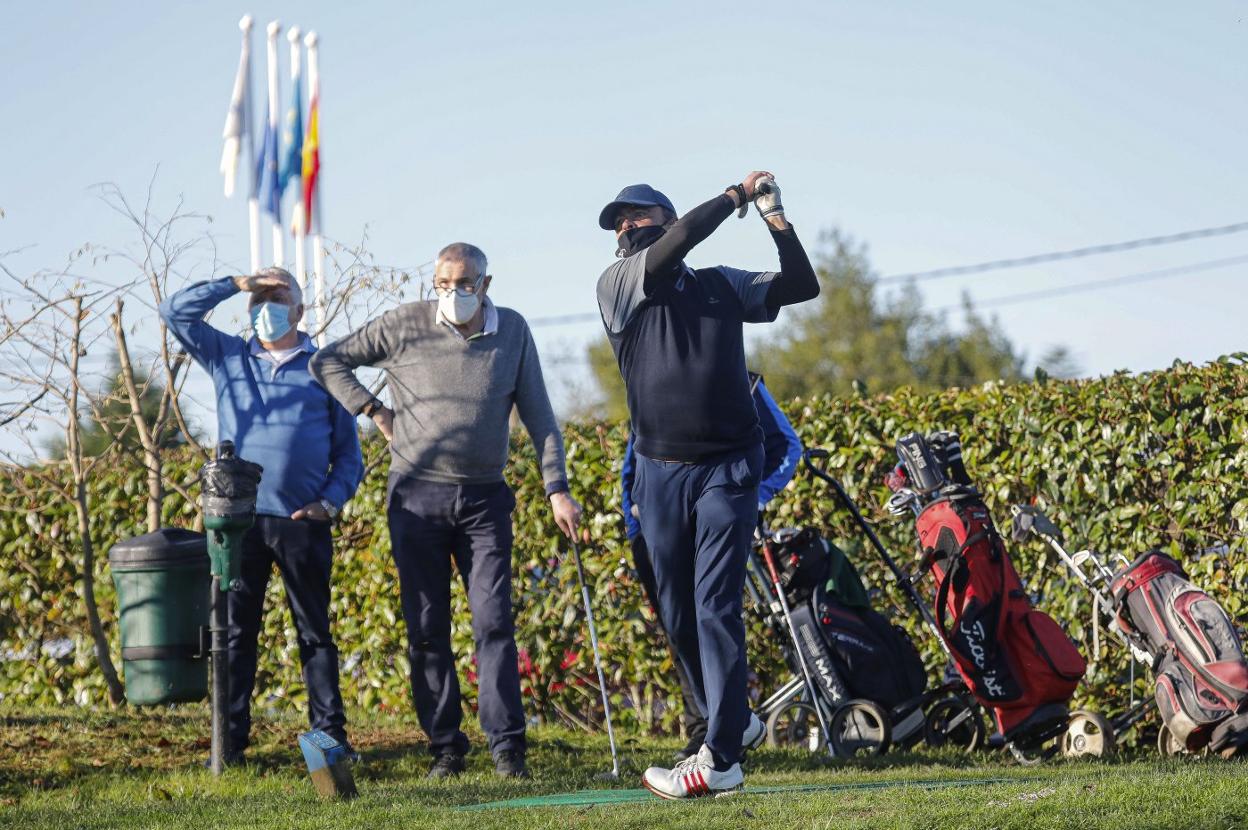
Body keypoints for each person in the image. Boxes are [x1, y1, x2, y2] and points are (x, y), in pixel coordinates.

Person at [309, 242, 581, 780]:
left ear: (485, 284)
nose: (452, 293)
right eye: (442, 283)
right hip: (417, 497)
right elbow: (328, 361)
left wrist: (557, 487)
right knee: (427, 626)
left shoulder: (513, 331)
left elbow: (540, 416)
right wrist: (373, 409)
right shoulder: (405, 324)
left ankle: (507, 750)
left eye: (463, 284)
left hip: (484, 499)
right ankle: (446, 749)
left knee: (493, 622)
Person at [595, 174, 819, 798]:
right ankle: (734, 718)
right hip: (660, 472)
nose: (624, 230)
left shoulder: (720, 282)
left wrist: (775, 217)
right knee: (677, 611)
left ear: (665, 218)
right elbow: (679, 242)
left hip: (729, 466)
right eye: (618, 224)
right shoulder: (618, 285)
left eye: (635, 218)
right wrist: (732, 197)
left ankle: (720, 759)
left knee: (715, 603)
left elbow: (802, 287)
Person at [159, 268, 364, 763]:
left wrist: (328, 503)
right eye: (261, 299)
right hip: (237, 525)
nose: (268, 306)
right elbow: (174, 311)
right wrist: (236, 282)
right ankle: (228, 743)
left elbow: (350, 457)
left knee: (314, 633)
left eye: (280, 297)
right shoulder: (228, 356)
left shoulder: (325, 368)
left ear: (299, 310)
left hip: (302, 524)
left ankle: (330, 740)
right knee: (233, 635)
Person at [621, 372, 802, 761]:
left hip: (716, 520)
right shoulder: (652, 375)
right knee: (678, 626)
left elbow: (787, 446)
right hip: (654, 529)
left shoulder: (744, 381)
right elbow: (635, 457)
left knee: (714, 616)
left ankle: (714, 734)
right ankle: (715, 723)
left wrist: (750, 498)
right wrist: (635, 522)